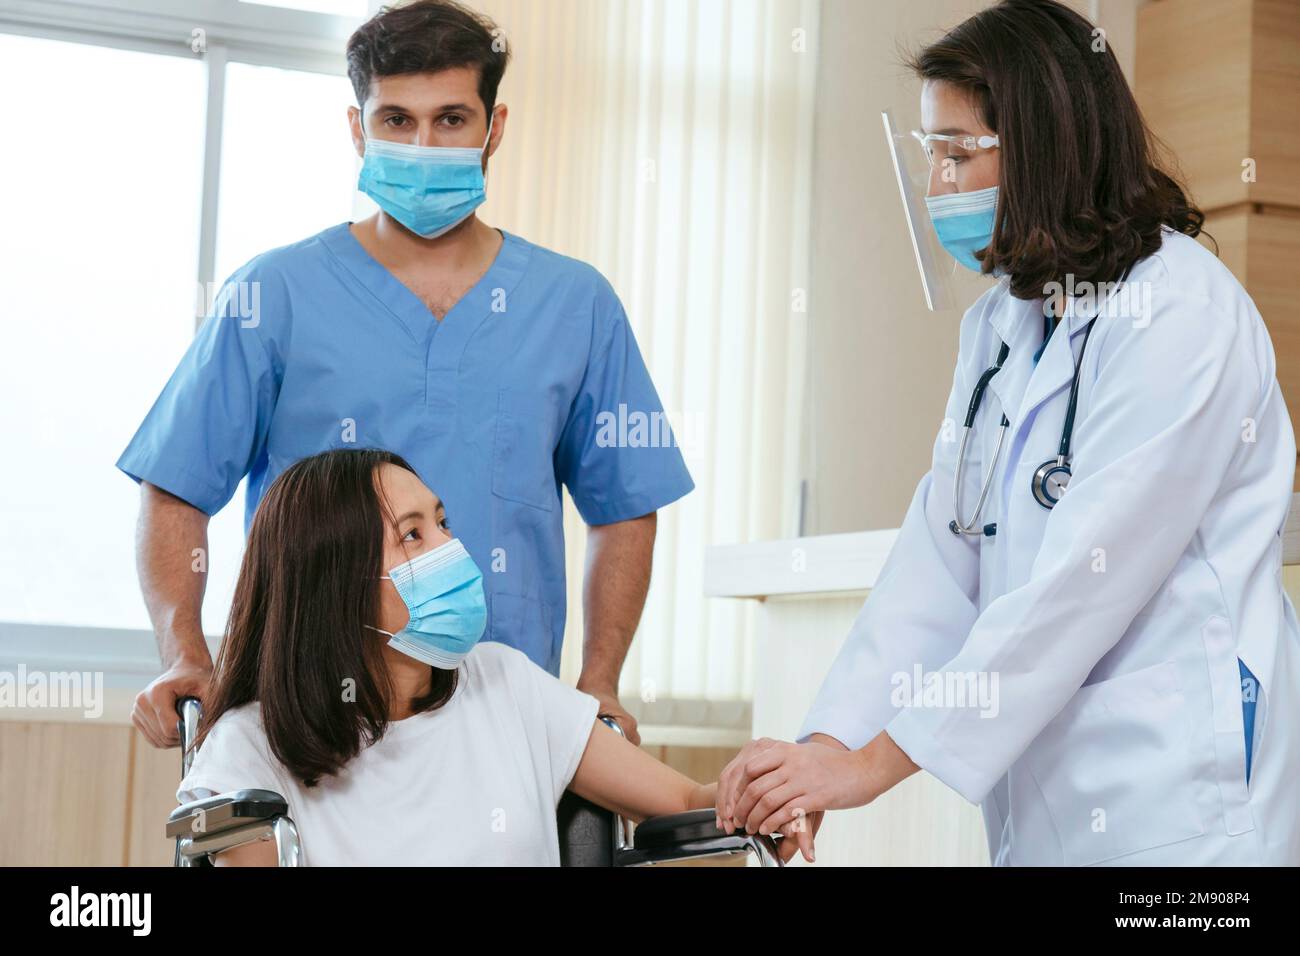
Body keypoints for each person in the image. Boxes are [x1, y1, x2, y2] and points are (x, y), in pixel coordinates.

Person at [716, 0, 1300, 866]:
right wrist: (831, 745)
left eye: (957, 153)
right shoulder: (1002, 327)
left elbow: (1083, 584)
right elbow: (941, 561)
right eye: (931, 154)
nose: (938, 183)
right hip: (1054, 800)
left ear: (1046, 142)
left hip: (1181, 797)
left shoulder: (1181, 312)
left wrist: (878, 764)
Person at [118, 0, 692, 751]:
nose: (423, 143)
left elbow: (625, 507)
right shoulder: (275, 295)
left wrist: (601, 679)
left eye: (451, 119)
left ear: (496, 127)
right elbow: (175, 483)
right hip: (302, 712)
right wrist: (184, 652)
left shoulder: (574, 303)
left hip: (505, 721)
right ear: (357, 128)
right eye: (396, 120)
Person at [178, 448, 715, 866]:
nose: (450, 548)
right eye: (413, 534)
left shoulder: (506, 684)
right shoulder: (247, 749)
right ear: (335, 580)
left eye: (442, 522)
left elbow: (690, 799)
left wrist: (770, 792)